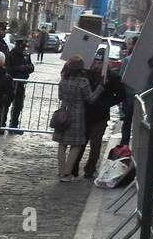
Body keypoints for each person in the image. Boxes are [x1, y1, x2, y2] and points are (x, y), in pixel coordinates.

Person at [53, 54, 106, 182]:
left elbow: (60, 96)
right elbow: (91, 99)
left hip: (64, 113)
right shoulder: (83, 82)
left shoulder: (63, 79)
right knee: (76, 145)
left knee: (62, 144)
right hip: (77, 115)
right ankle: (67, 174)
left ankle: (61, 172)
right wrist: (100, 87)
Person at [74, 53, 125, 180]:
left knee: (95, 144)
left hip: (100, 115)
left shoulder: (112, 76)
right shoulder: (87, 73)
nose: (97, 65)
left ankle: (90, 170)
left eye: (100, 62)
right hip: (85, 113)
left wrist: (106, 103)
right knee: (80, 143)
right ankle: (74, 167)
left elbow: (121, 94)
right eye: (96, 62)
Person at [5, 38, 34, 132]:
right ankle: (2, 125)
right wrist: (19, 68)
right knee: (6, 105)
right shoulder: (10, 55)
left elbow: (31, 67)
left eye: (24, 47)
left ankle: (14, 125)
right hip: (10, 83)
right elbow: (8, 69)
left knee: (18, 105)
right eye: (21, 47)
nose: (23, 49)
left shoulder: (25, 55)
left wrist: (26, 68)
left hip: (21, 83)